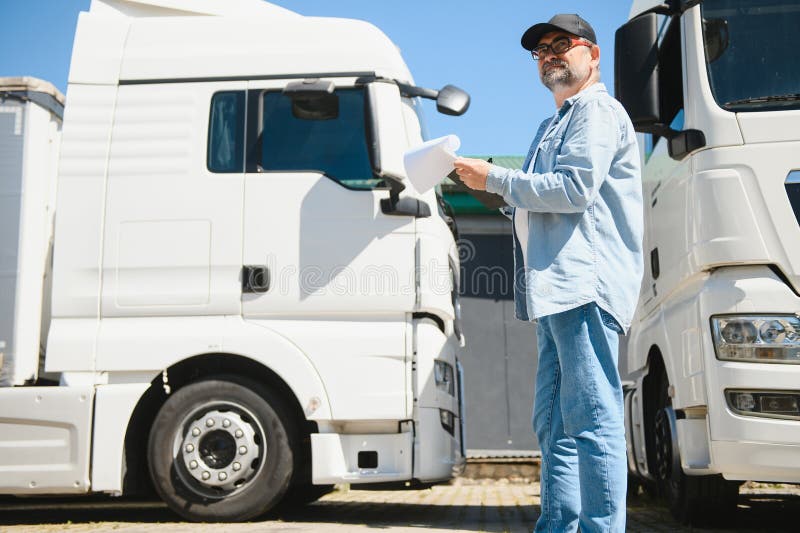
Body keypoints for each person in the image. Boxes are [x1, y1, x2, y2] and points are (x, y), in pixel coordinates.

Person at [454, 13, 643, 533]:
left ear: (593, 55)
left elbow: (574, 189)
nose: (550, 55)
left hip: (584, 286)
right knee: (555, 426)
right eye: (541, 50)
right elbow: (538, 201)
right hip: (556, 291)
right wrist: (484, 185)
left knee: (593, 420)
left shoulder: (596, 111)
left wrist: (496, 177)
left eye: (562, 44)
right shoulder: (553, 125)